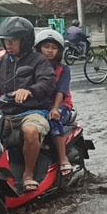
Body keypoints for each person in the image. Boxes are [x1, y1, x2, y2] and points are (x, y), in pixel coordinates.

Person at [0, 17, 56, 192]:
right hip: (6, 113)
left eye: (12, 41)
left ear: (25, 41)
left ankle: (28, 174)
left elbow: (48, 82)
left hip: (32, 111)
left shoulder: (39, 61)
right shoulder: (1, 62)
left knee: (30, 131)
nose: (8, 45)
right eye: (6, 41)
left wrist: (30, 91)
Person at [34, 30, 75, 178]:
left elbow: (61, 90)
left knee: (53, 118)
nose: (50, 51)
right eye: (46, 47)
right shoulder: (34, 67)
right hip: (40, 106)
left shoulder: (63, 69)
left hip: (62, 106)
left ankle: (63, 159)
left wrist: (56, 108)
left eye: (54, 48)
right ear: (39, 48)